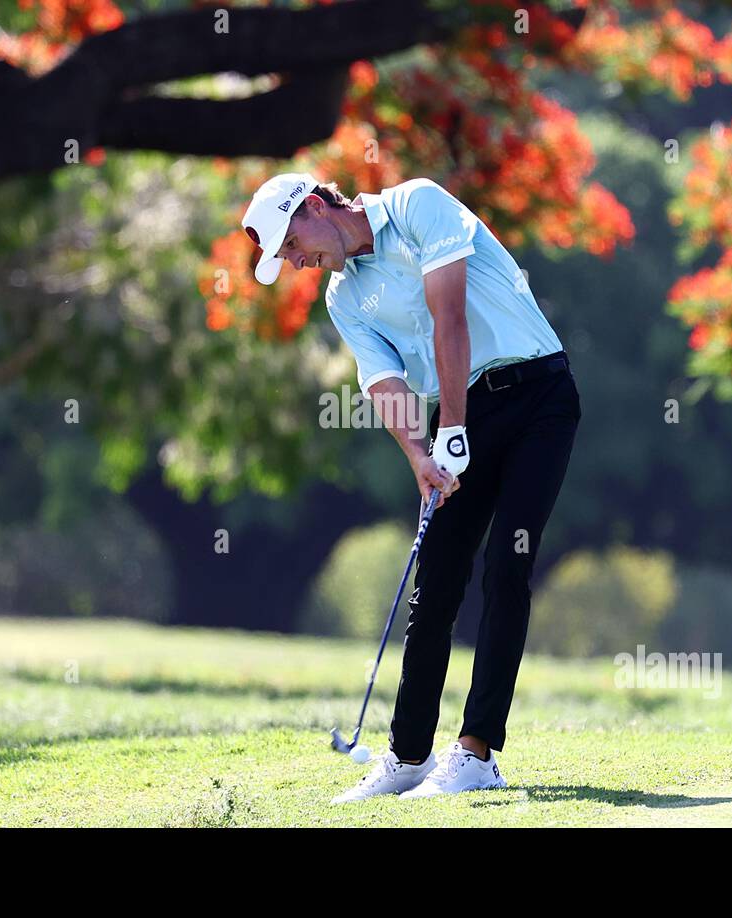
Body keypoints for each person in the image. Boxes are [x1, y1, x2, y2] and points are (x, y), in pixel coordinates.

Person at [241, 172, 580, 801]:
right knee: (436, 577)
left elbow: (450, 318)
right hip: (460, 409)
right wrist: (420, 455)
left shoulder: (416, 204)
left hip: (539, 394)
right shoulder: (343, 297)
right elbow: (383, 381)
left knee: (507, 565)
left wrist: (450, 427)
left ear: (314, 207)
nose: (295, 263)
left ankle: (476, 754)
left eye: (291, 245)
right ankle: (408, 756)